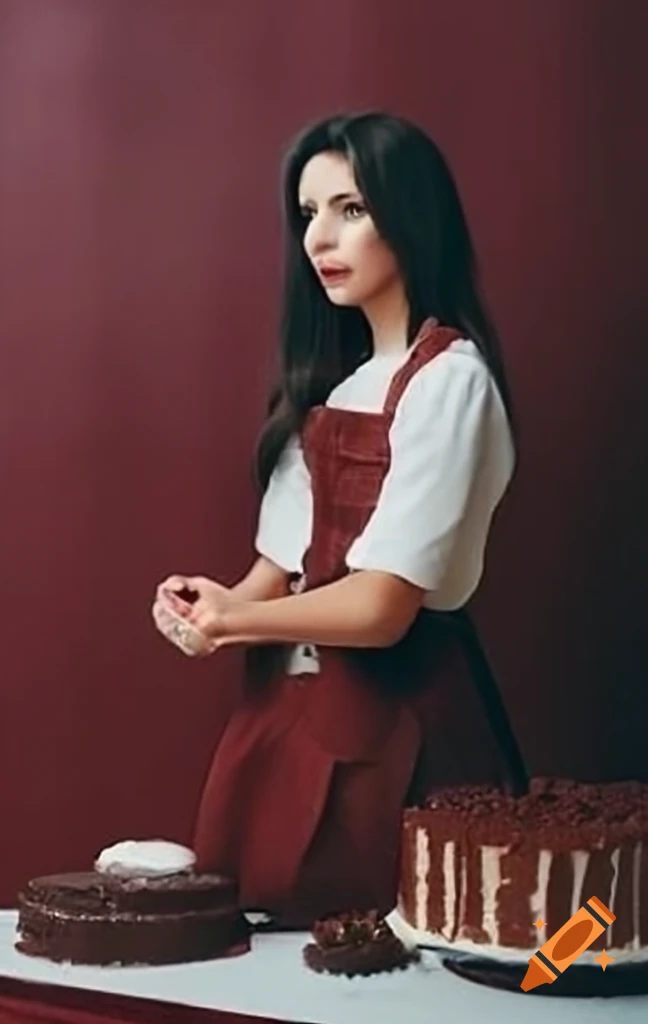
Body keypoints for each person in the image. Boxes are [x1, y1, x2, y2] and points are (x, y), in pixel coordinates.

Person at [152, 111, 528, 928]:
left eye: (350, 208)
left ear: (411, 215)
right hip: (286, 718)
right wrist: (210, 606)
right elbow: (276, 573)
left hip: (394, 727)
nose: (319, 237)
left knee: (389, 956)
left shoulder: (450, 381)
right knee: (263, 953)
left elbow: (381, 608)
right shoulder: (334, 389)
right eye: (308, 213)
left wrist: (236, 622)